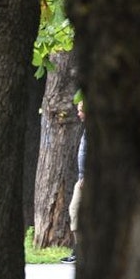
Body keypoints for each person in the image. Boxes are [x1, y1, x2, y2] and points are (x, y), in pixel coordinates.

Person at [61, 102, 86, 265]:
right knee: (75, 210)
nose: (78, 114)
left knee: (75, 209)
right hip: (82, 177)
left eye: (80, 111)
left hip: (86, 179)